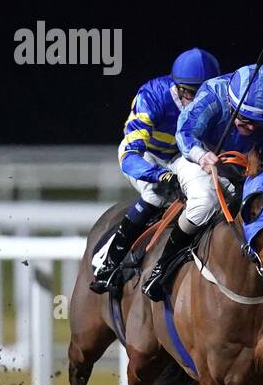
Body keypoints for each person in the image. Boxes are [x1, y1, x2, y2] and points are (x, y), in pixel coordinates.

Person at [140, 63, 263, 301]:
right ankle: (163, 266)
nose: (250, 127)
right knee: (205, 203)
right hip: (201, 159)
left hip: (249, 166)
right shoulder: (213, 94)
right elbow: (185, 132)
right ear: (231, 102)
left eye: (258, 123)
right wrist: (200, 155)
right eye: (245, 118)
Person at [90, 47, 220, 294]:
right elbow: (131, 155)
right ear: (177, 87)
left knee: (209, 196)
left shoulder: (218, 99)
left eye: (202, 94)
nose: (195, 101)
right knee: (156, 194)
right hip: (148, 155)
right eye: (189, 93)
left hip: (183, 155)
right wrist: (158, 175)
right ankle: (110, 262)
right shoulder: (153, 95)